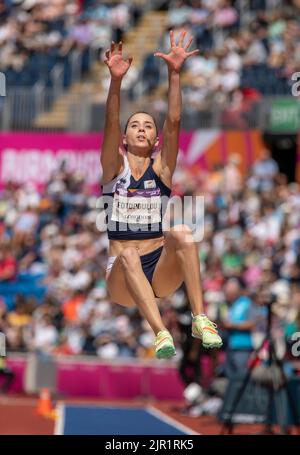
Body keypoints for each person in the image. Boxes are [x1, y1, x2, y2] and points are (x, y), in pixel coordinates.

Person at [101, 31, 222, 359]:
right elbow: (111, 122)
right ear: (125, 137)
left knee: (184, 231)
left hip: (159, 269)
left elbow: (175, 121)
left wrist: (174, 73)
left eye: (147, 125)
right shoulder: (114, 168)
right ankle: (160, 332)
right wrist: (115, 82)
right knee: (128, 254)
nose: (141, 128)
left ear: (155, 140)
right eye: (135, 125)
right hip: (122, 277)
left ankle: (200, 318)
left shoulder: (163, 170)